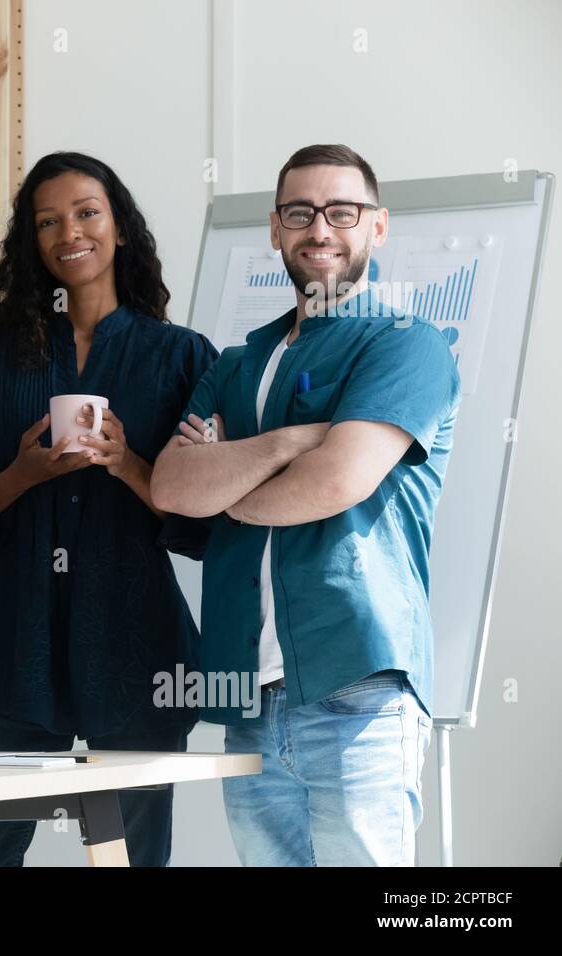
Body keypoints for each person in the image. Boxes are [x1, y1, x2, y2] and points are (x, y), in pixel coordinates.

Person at [151, 144, 460, 866]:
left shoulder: (406, 344)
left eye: (342, 212)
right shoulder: (235, 363)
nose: (320, 229)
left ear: (376, 228)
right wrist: (293, 440)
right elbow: (171, 488)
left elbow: (336, 483)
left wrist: (227, 483)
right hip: (250, 701)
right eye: (300, 212)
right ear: (274, 228)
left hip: (358, 686)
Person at [0, 151, 217, 867]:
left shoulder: (182, 358)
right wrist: (18, 475)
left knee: (131, 860)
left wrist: (131, 466)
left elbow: (213, 523)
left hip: (140, 647)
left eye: (86, 213)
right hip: (18, 643)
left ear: (119, 227)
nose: (67, 232)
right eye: (47, 221)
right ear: (32, 242)